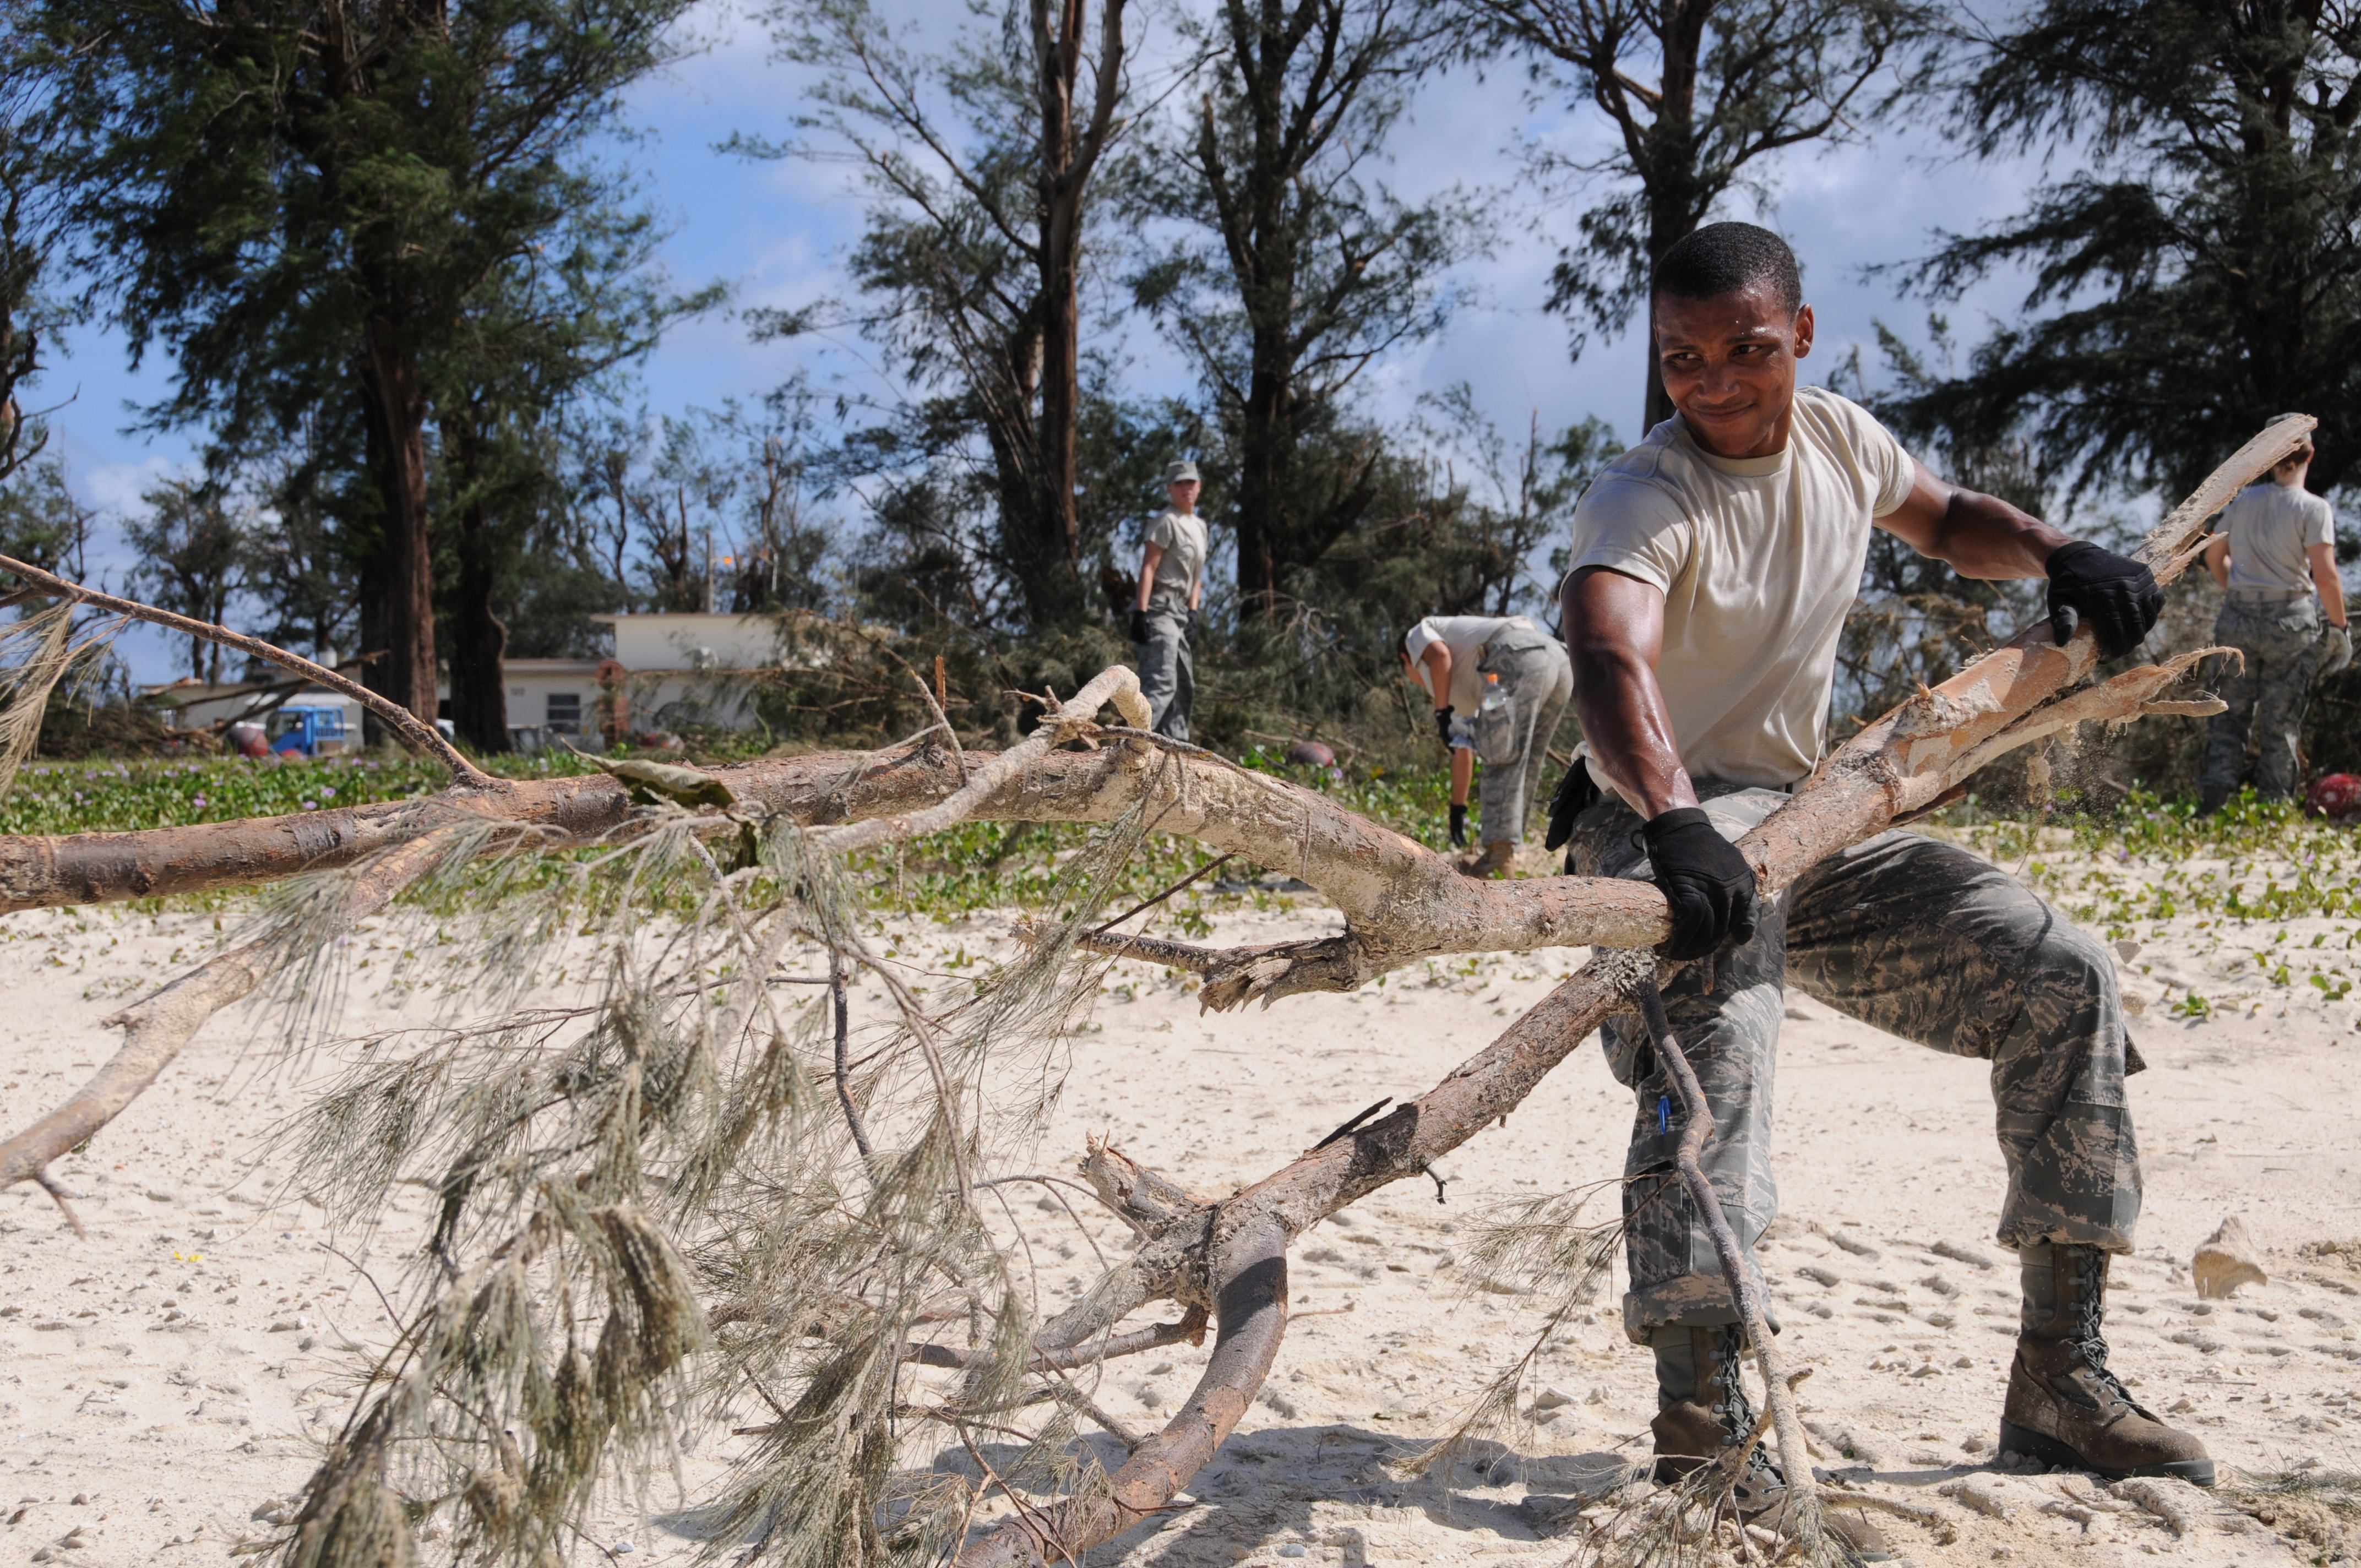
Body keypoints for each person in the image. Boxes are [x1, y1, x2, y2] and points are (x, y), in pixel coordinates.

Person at [1552, 221, 2206, 1557]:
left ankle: (2060, 1378)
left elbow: (1946, 518)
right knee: (1714, 1027)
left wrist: (2054, 552)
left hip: (1816, 813)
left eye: (1743, 349)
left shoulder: (1841, 436)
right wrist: (1671, 818)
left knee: (2060, 970)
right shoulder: (1641, 495)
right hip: (1657, 830)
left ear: (1801, 331)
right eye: (1681, 358)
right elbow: (1608, 658)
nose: (1714, 382)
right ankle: (1696, 1420)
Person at [2197, 426, 2351, 813]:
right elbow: (2327, 575)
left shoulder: (2244, 501)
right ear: (2310, 456)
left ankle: (2211, 806)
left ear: (2268, 457)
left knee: (2226, 714)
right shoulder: (2313, 508)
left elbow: (2214, 556)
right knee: (2281, 724)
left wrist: (2236, 590)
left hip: (2238, 617)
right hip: (2291, 621)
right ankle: (2273, 811)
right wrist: (2340, 627)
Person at [1401, 614, 1573, 877]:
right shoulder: (1464, 683)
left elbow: (1439, 656)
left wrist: (1440, 713)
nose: (1415, 680)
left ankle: (1498, 859)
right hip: (1558, 660)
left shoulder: (1418, 634)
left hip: (1516, 654)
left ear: (1406, 659)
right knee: (1526, 761)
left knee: (1499, 756)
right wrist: (1457, 809)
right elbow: (1463, 750)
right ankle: (1505, 856)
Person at [1132, 459, 1207, 741]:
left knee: (1184, 684)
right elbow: (1149, 567)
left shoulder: (1200, 527)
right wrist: (1141, 612)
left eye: (1191, 482)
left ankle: (1176, 749)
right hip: (1159, 609)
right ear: (1170, 489)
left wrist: (1194, 612)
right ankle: (1132, 744)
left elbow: (1197, 575)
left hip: (1181, 612)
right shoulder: (1166, 522)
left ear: (1199, 487)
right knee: (1162, 683)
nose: (1186, 488)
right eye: (1180, 483)